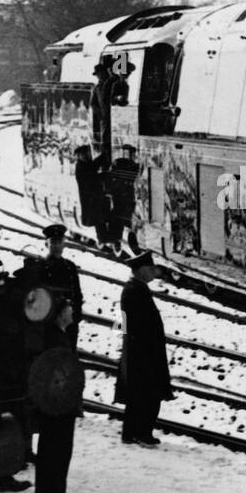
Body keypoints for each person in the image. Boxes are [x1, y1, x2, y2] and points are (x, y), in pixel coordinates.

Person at [115, 250, 172, 445]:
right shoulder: (134, 290)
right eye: (150, 269)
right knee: (145, 393)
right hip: (142, 351)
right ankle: (140, 432)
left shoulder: (135, 288)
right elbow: (132, 323)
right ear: (141, 271)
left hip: (140, 349)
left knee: (138, 393)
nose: (153, 272)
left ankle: (132, 432)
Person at [33, 299, 82, 493]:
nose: (73, 312)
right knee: (59, 451)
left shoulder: (52, 336)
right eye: (69, 309)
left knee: (47, 448)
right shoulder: (58, 340)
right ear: (61, 315)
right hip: (60, 405)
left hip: (51, 405)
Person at [19, 223, 84, 348]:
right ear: (46, 244)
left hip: (69, 320)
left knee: (69, 353)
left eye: (59, 242)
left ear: (64, 244)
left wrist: (76, 317)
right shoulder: (41, 267)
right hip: (50, 321)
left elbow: (77, 293)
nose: (56, 246)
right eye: (53, 242)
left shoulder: (70, 266)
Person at [73, 145, 111, 246]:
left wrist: (103, 156)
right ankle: (103, 239)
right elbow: (92, 177)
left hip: (94, 199)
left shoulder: (84, 165)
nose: (88, 155)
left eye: (88, 153)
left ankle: (104, 239)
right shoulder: (81, 167)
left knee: (100, 219)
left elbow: (93, 166)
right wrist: (106, 175)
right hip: (91, 200)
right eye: (85, 154)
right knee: (99, 220)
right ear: (80, 156)